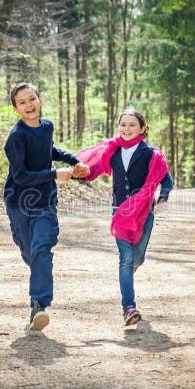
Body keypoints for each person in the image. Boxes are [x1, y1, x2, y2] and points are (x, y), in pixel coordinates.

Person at [3, 82, 89, 333]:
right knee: (31, 254)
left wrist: (75, 161)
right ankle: (38, 294)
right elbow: (20, 176)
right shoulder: (16, 137)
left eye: (32, 99)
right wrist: (54, 174)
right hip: (19, 202)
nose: (29, 105)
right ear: (16, 108)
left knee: (42, 249)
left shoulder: (47, 126)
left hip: (45, 202)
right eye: (23, 102)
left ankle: (38, 306)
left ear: (39, 100)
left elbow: (48, 150)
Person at [77, 108, 173, 326]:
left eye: (132, 125)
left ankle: (133, 268)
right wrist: (76, 174)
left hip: (144, 213)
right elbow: (92, 170)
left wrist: (162, 199)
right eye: (123, 125)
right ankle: (129, 308)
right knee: (126, 259)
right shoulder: (111, 151)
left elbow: (166, 180)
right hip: (119, 211)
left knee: (137, 258)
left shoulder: (151, 154)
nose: (126, 129)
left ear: (142, 128)